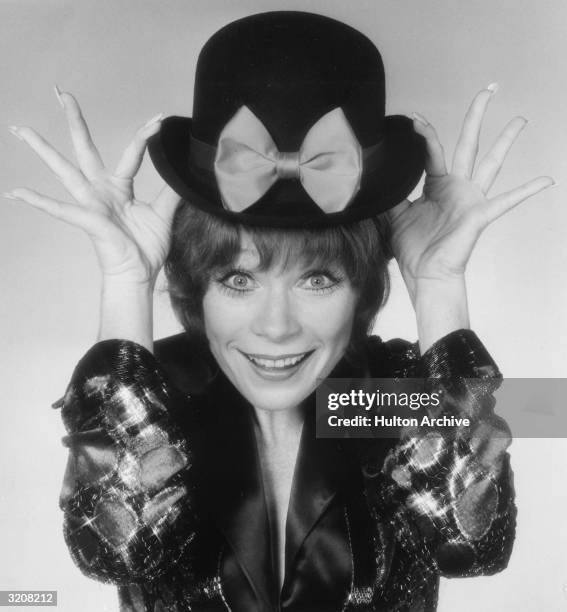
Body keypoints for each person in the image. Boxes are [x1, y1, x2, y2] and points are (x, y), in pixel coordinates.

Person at [5, 11, 553, 612]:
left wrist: (440, 285)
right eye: (238, 278)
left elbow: (473, 544)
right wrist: (124, 282)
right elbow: (118, 550)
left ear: (363, 288)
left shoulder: (378, 396)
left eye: (318, 278)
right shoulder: (159, 395)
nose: (275, 326)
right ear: (196, 286)